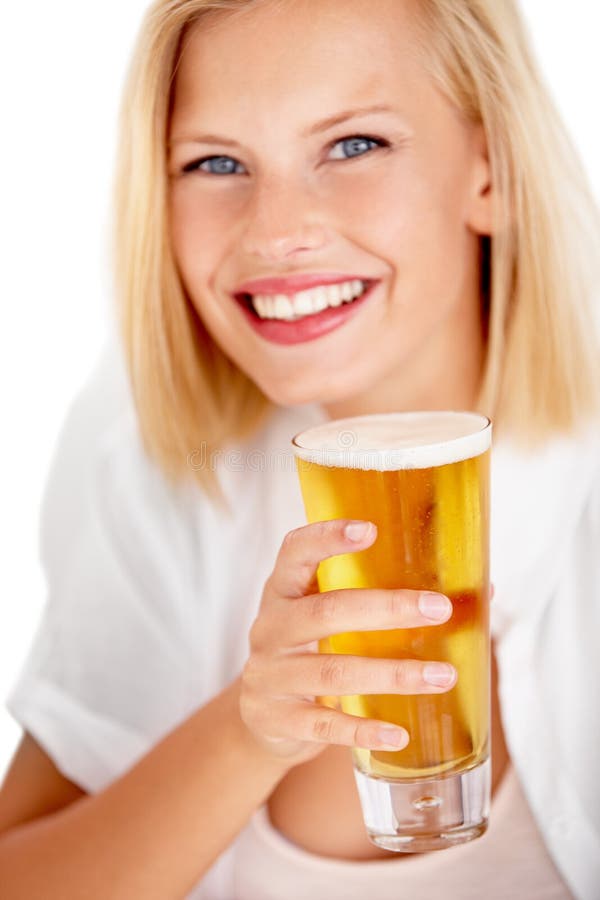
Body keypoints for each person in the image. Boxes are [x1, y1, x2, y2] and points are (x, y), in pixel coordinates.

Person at [0, 0, 598, 897]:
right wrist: (249, 732)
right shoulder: (165, 472)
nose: (275, 233)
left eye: (354, 145)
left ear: (492, 169)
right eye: (215, 163)